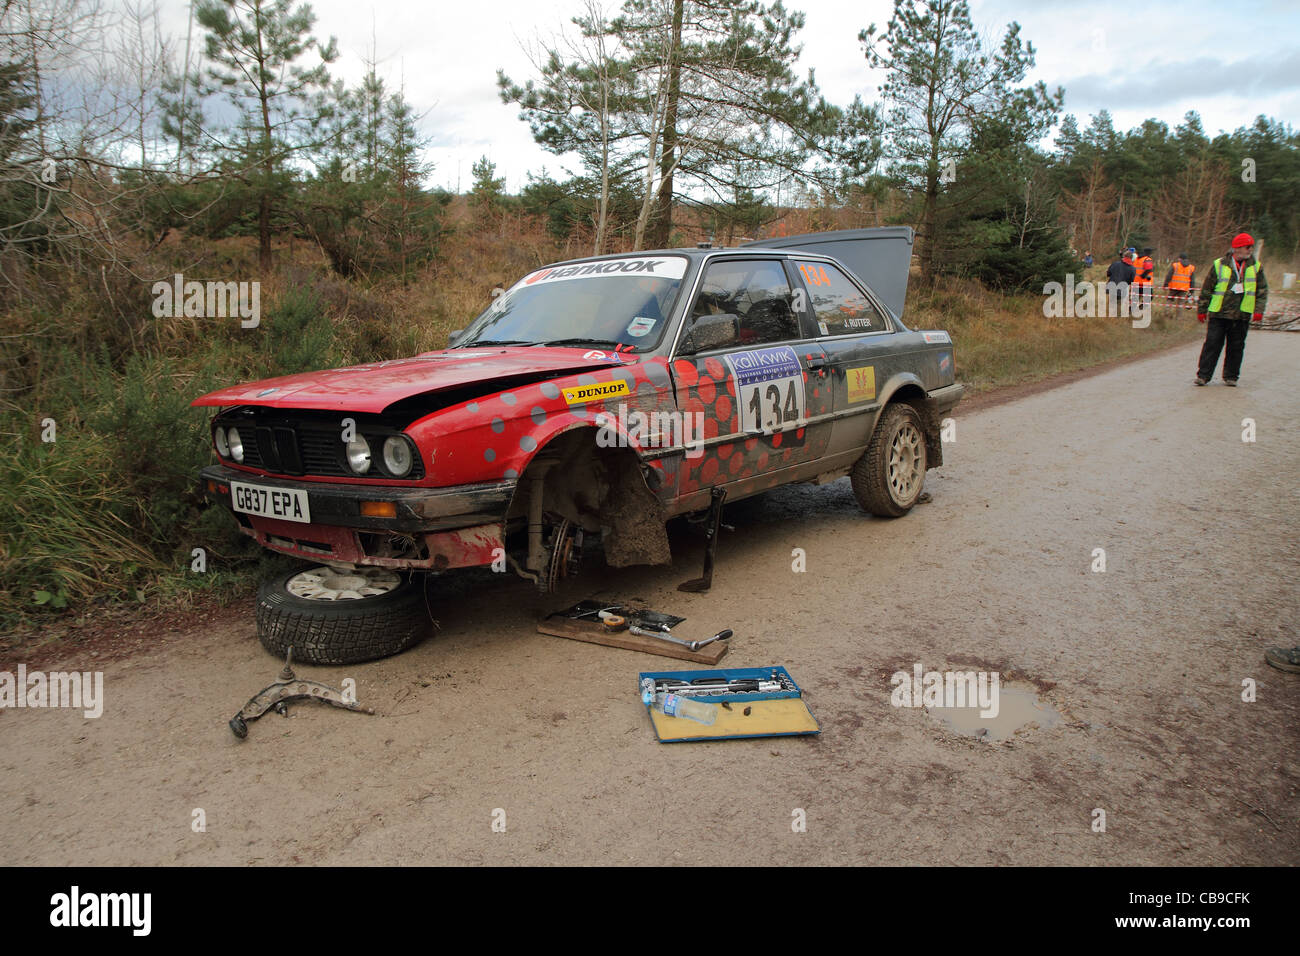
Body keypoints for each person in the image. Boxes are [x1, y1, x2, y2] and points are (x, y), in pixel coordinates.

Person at [1195, 232, 1268, 386]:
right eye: (1247, 247)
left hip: (1241, 314)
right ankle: (1203, 375)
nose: (1250, 250)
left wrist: (1259, 311)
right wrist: (1202, 309)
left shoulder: (1256, 267)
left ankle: (1231, 377)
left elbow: (1262, 291)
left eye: (1251, 247)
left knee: (1236, 346)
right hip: (1218, 313)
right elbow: (1207, 288)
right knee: (1212, 345)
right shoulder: (1219, 264)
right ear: (1237, 248)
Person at [1105, 249, 1136, 315]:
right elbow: (1132, 281)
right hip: (1122, 289)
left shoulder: (1115, 264)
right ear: (1131, 258)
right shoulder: (1132, 268)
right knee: (1119, 305)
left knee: (1111, 304)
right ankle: (1117, 320)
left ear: (1124, 256)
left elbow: (1108, 273)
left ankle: (1109, 319)